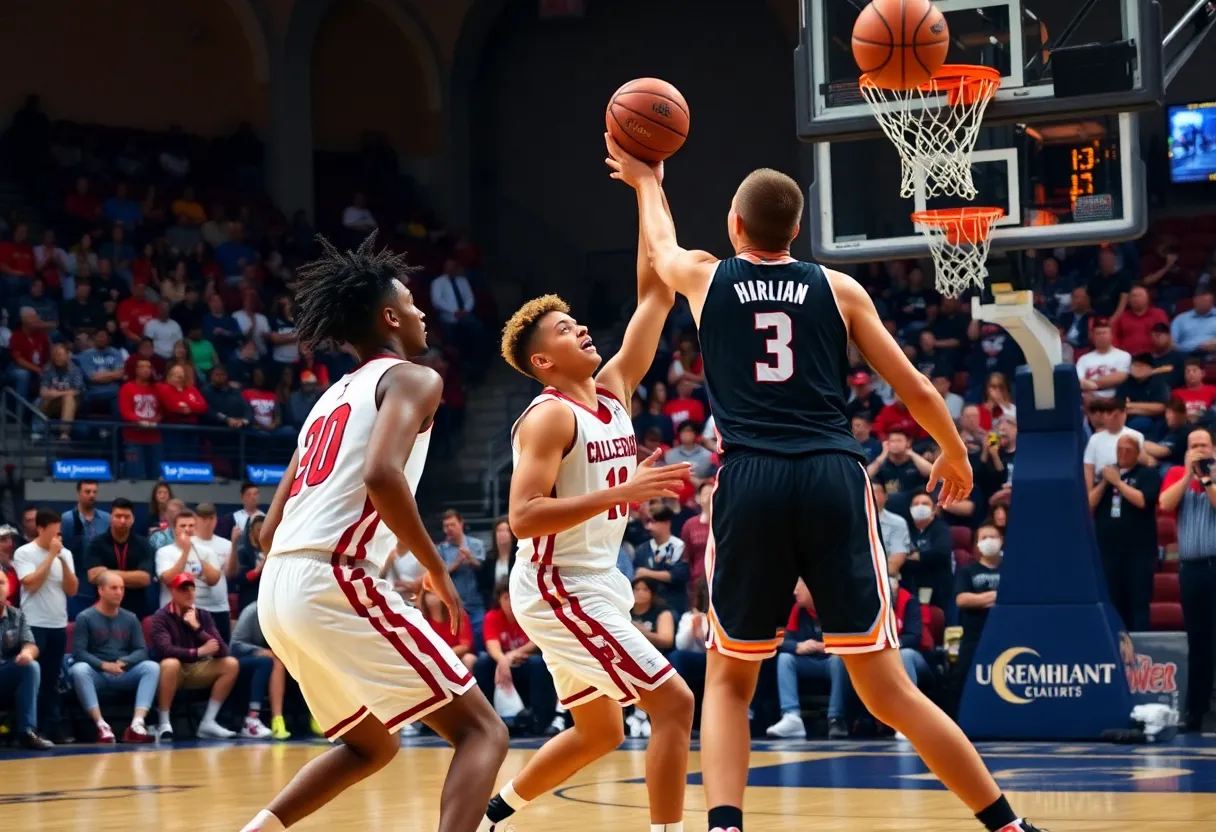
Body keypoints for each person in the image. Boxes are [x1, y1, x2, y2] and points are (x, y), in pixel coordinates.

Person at [604, 139, 1045, 832]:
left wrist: (646, 180)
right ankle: (1008, 826)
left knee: (728, 677)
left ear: (735, 226)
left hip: (749, 478)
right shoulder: (839, 289)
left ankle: (724, 826)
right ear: (796, 232)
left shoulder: (704, 276)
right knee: (890, 690)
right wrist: (954, 450)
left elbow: (660, 246)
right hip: (832, 477)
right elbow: (916, 386)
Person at [245, 233, 507, 832]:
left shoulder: (327, 400)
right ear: (389, 316)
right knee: (483, 731)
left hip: (279, 587)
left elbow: (266, 531)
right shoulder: (415, 378)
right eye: (412, 303)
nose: (421, 313)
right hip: (331, 577)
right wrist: (435, 569)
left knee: (373, 745)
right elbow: (383, 476)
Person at [481, 162, 696, 832]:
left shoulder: (613, 389)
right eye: (563, 331)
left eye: (576, 322)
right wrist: (624, 491)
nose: (579, 330)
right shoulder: (549, 417)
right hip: (555, 584)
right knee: (673, 704)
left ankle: (491, 817)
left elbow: (654, 294)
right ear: (543, 362)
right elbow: (521, 517)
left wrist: (644, 188)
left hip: (596, 580)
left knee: (599, 730)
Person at [1158, 427, 1216, 732]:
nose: (1198, 449)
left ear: (1213, 449)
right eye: (1193, 445)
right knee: (1197, 640)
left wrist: (1206, 477)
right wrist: (1187, 476)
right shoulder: (1177, 474)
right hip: (1191, 569)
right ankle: (1196, 710)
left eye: (1203, 445)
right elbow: (1166, 505)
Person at [68, 571, 159, 743]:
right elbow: (79, 653)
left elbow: (141, 650)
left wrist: (125, 662)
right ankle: (101, 725)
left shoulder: (130, 618)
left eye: (122, 588)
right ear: (101, 590)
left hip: (122, 671)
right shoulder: (85, 617)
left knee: (152, 667)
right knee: (79, 669)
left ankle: (137, 724)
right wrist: (103, 665)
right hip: (97, 673)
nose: (119, 592)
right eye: (114, 588)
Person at [14, 509, 78, 743]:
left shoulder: (66, 553)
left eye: (59, 532)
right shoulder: (24, 553)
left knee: (52, 678)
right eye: (53, 532)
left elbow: (72, 589)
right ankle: (31, 726)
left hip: (57, 623)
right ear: (40, 529)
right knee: (34, 677)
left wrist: (61, 559)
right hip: (33, 623)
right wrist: (51, 556)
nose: (57, 537)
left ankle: (52, 726)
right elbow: (30, 584)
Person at [1088, 433, 1161, 632]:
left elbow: (1143, 500)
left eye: (1127, 450)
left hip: (1139, 552)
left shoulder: (1147, 474)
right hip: (1109, 552)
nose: (1122, 453)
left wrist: (1119, 483)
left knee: (1138, 603)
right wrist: (1105, 482)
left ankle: (1141, 650)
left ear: (1137, 453)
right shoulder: (1107, 476)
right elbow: (1088, 505)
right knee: (1113, 603)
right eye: (1119, 449)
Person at [0, 570, 53, 749]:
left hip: (4, 674)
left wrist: (27, 654)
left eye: (1, 583)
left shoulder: (17, 615)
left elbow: (31, 644)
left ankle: (27, 732)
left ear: (8, 587)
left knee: (31, 666)